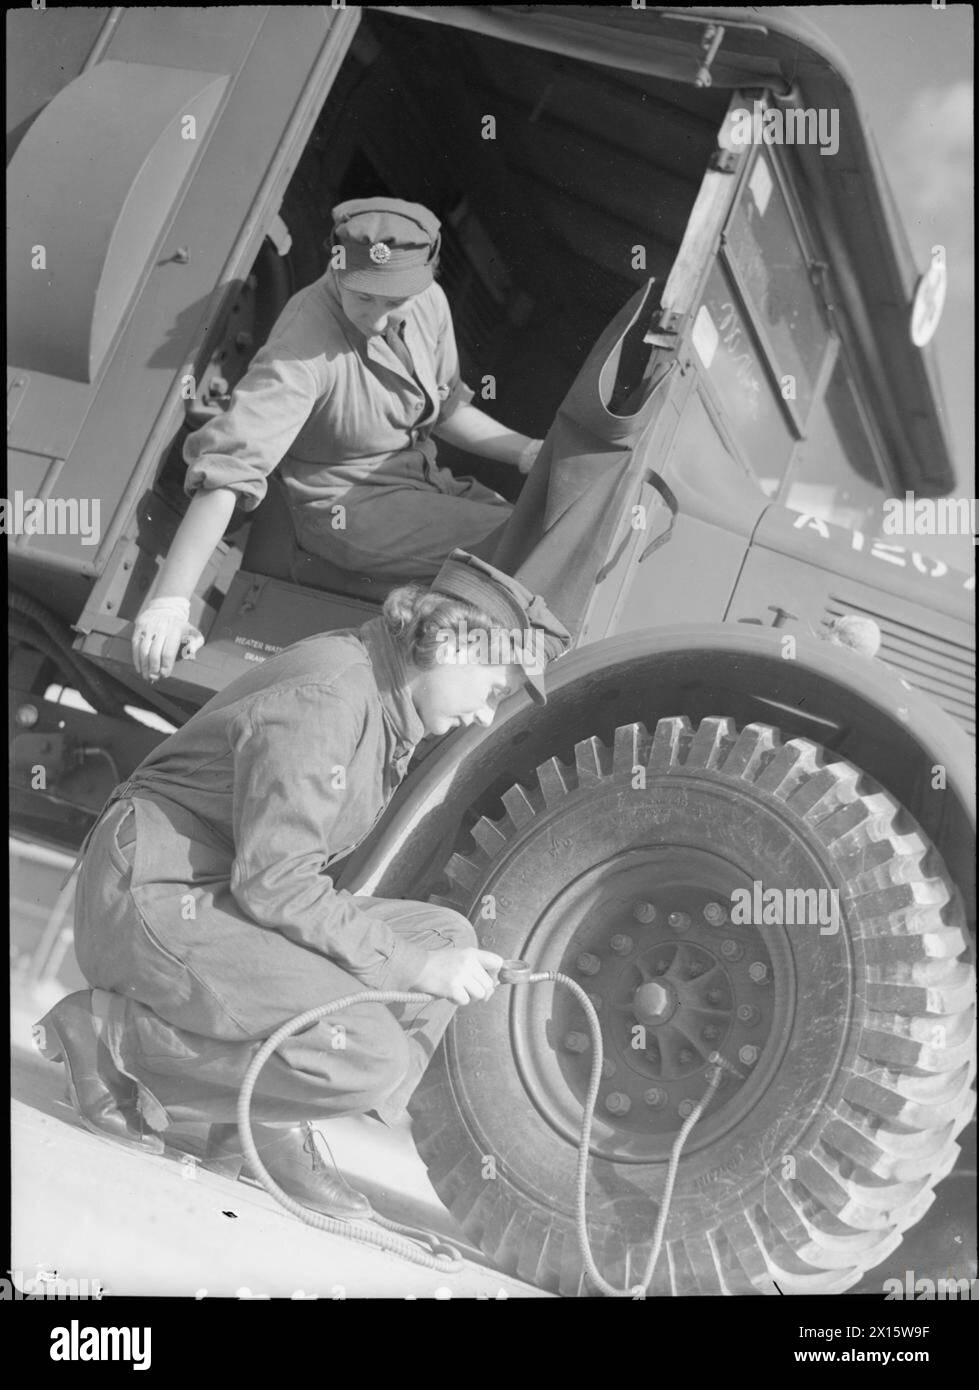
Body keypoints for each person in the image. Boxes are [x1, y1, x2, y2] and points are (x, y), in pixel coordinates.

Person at [35, 550, 571, 1218]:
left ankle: (258, 1119)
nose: (488, 715)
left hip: (215, 891)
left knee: (447, 933)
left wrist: (425, 956)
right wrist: (414, 966)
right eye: (493, 689)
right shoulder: (331, 697)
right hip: (154, 899)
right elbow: (277, 887)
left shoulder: (382, 694)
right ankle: (108, 1038)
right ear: (452, 646)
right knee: (372, 1053)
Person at [132, 196, 543, 683]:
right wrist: (170, 601)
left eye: (394, 302)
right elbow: (229, 468)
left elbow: (446, 406)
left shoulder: (429, 301)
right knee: (516, 552)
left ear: (427, 276)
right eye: (363, 297)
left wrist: (529, 452)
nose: (377, 317)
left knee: (538, 526)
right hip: (347, 508)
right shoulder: (304, 344)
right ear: (337, 265)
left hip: (423, 481)